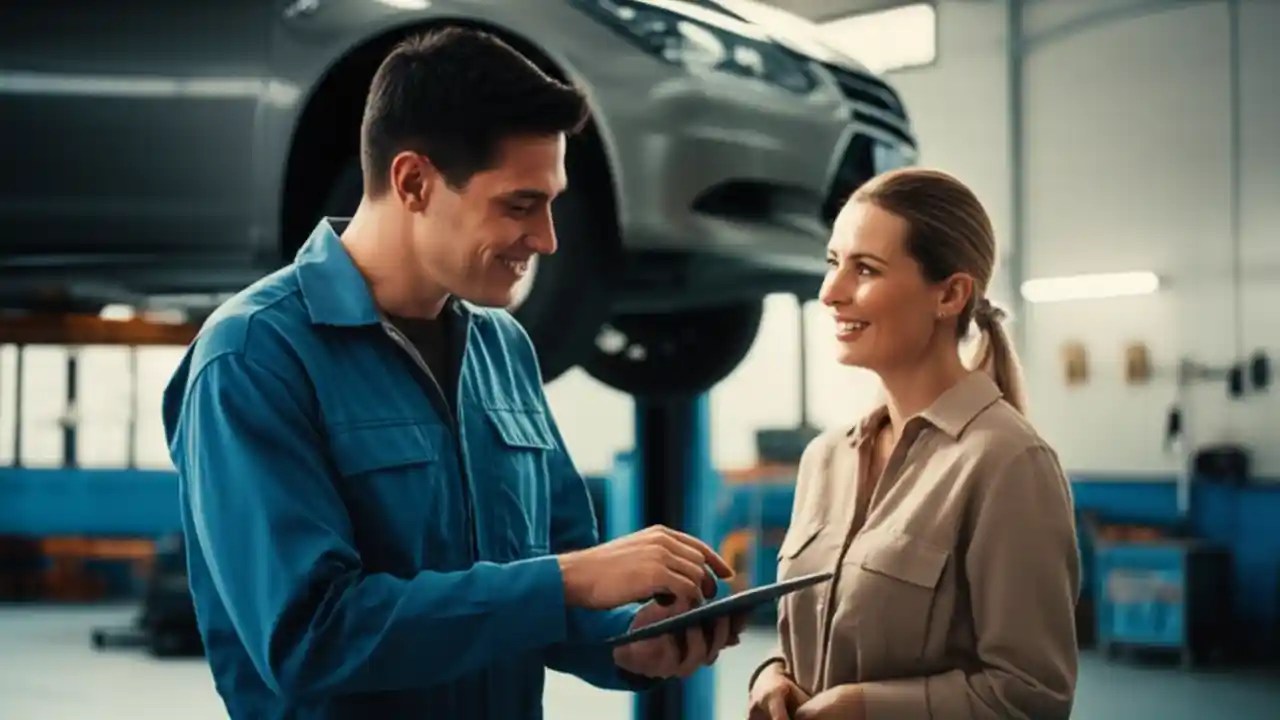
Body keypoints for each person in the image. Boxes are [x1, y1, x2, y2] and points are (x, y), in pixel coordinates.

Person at [162, 28, 741, 719]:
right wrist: (566, 581)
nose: (547, 239)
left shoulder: (503, 348)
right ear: (414, 182)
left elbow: (558, 580)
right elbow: (309, 637)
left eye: (551, 203)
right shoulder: (253, 356)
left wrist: (628, 639)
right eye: (520, 204)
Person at [746, 168, 1080, 720]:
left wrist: (866, 708)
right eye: (833, 262)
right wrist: (771, 676)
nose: (830, 293)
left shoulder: (1008, 463)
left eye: (865, 269)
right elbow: (820, 633)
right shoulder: (824, 459)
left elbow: (1030, 697)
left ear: (949, 294)